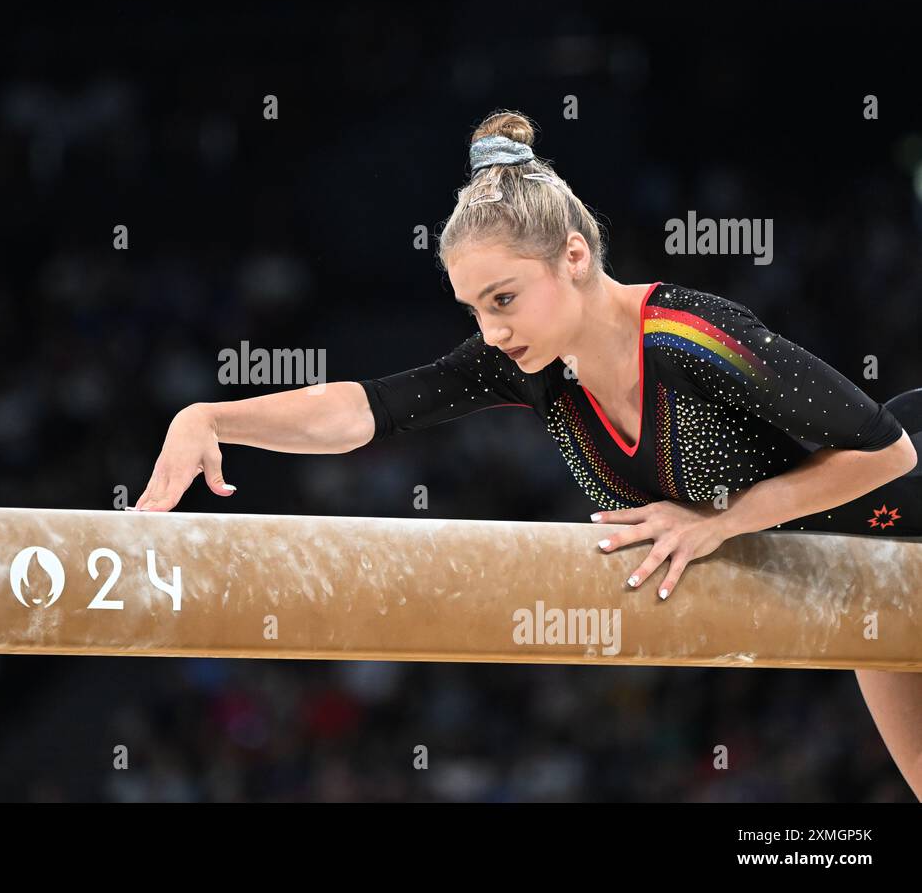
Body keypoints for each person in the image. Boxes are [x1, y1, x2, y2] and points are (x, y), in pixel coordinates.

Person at [133, 109, 922, 799]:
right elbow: (367, 408)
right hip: (864, 571)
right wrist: (215, 416)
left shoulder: (689, 334)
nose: (492, 331)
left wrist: (723, 522)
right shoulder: (523, 363)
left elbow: (888, 451)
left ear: (574, 256)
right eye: (473, 309)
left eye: (503, 298)